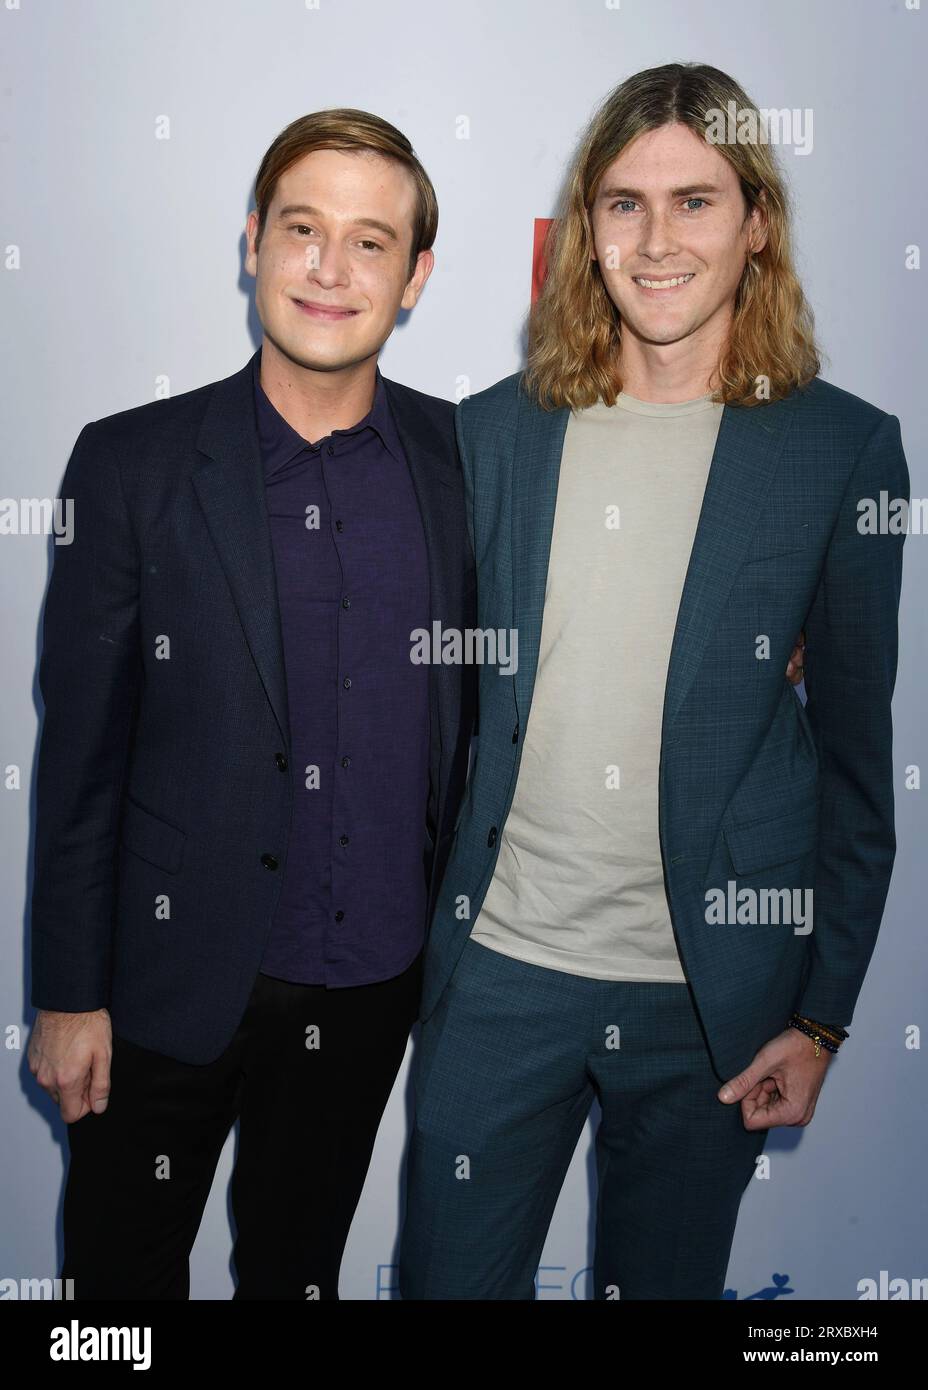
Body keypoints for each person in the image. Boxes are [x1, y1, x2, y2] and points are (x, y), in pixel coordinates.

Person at [399, 62, 909, 1300]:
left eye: (695, 201)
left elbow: (854, 759)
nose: (657, 239)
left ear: (757, 222)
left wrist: (825, 1012)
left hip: (713, 1007)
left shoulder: (842, 449)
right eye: (624, 204)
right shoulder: (491, 431)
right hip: (504, 973)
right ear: (586, 229)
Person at [27, 109, 476, 1300]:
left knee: (300, 1274)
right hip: (161, 992)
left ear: (416, 275)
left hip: (370, 978)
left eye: (372, 242)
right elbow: (78, 757)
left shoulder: (470, 465)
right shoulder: (130, 465)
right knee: (116, 1294)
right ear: (251, 244)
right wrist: (69, 994)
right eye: (303, 230)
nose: (332, 270)